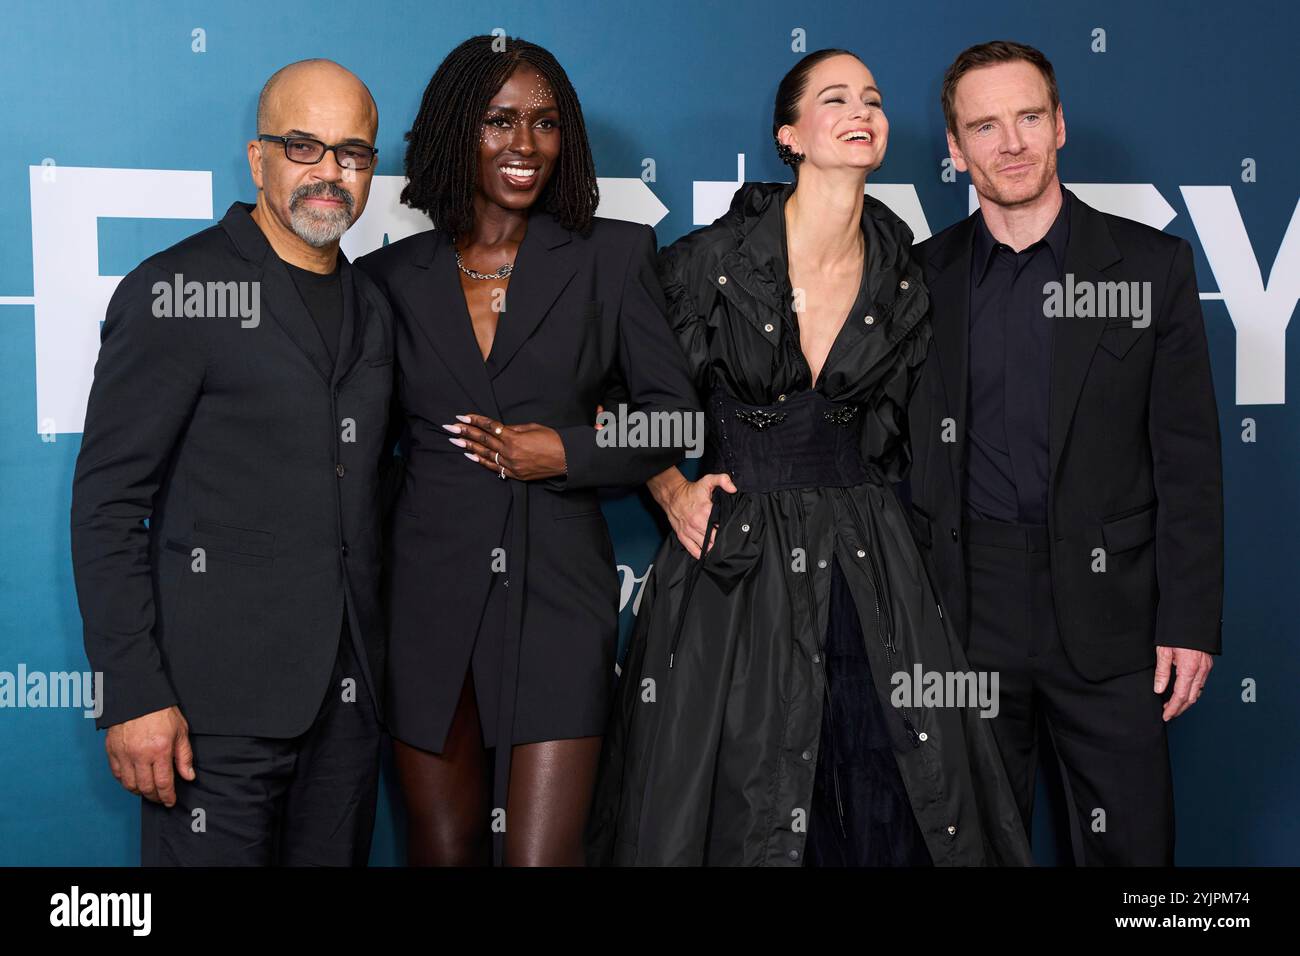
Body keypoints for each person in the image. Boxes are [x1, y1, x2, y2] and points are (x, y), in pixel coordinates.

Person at [586, 49, 1031, 866]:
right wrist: (671, 489)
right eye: (835, 98)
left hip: (871, 563)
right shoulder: (707, 264)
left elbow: (906, 434)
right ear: (791, 135)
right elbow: (609, 401)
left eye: (872, 96)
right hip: (733, 570)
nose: (861, 109)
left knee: (898, 785)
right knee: (739, 798)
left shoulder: (906, 271)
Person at [354, 36, 700, 866]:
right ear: (453, 132)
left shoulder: (612, 258)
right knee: (444, 849)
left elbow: (676, 420)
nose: (524, 144)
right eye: (499, 120)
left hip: (556, 597)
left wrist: (567, 451)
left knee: (542, 857)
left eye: (545, 123)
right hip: (427, 601)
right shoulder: (389, 278)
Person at [904, 41, 1223, 865]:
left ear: (1060, 127)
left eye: (1029, 118)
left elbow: (1188, 460)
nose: (1010, 142)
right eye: (984, 125)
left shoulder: (1151, 269)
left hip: (1115, 617)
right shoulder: (916, 280)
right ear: (954, 149)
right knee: (970, 850)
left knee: (1134, 860)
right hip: (964, 615)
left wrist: (1189, 620)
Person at [70, 59, 395, 865]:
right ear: (258, 159)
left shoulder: (375, 310)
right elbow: (108, 504)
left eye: (352, 153)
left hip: (347, 711)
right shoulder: (175, 291)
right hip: (206, 717)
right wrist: (132, 695)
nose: (330, 172)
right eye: (304, 146)